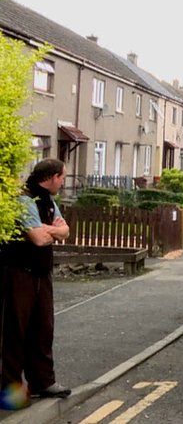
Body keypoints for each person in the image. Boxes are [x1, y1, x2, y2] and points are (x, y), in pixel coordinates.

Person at [0, 159, 72, 403]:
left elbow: (65, 231)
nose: (63, 182)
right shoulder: (25, 198)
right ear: (51, 177)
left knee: (43, 329)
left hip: (42, 274)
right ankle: (10, 390)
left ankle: (43, 381)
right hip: (19, 273)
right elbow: (38, 239)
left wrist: (47, 229)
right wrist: (51, 230)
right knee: (15, 330)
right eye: (62, 177)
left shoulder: (48, 200)